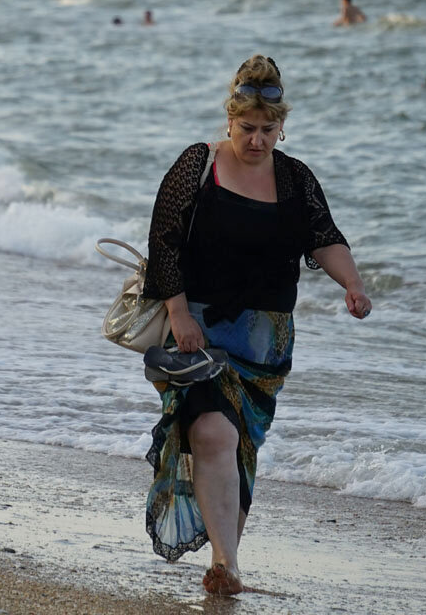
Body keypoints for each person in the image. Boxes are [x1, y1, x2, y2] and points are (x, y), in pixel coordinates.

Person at [141, 55, 371, 596]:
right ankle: (227, 564)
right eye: (248, 129)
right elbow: (163, 243)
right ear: (230, 119)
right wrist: (177, 315)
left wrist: (352, 285)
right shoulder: (198, 165)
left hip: (266, 343)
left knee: (241, 445)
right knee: (212, 432)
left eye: (270, 130)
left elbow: (324, 237)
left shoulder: (294, 178)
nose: (259, 141)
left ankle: (228, 559)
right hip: (196, 329)